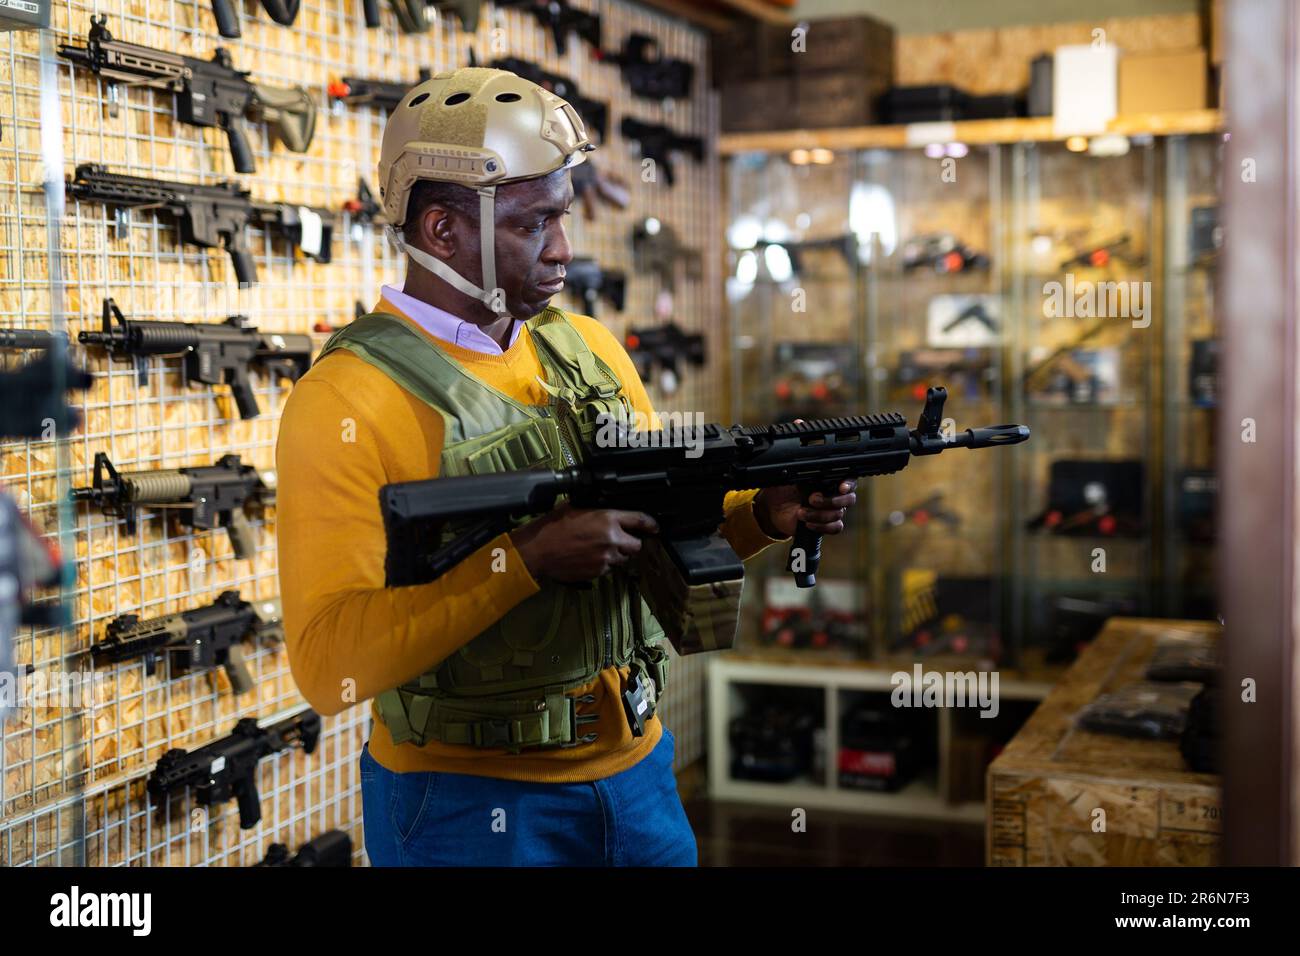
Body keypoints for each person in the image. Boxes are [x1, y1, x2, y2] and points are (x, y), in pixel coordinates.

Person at [275, 66, 857, 867]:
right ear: (442, 231)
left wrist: (762, 514)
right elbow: (329, 667)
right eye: (531, 223)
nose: (563, 249)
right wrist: (526, 561)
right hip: (469, 806)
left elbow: (658, 538)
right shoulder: (344, 400)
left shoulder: (587, 349)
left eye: (563, 216)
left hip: (638, 775)